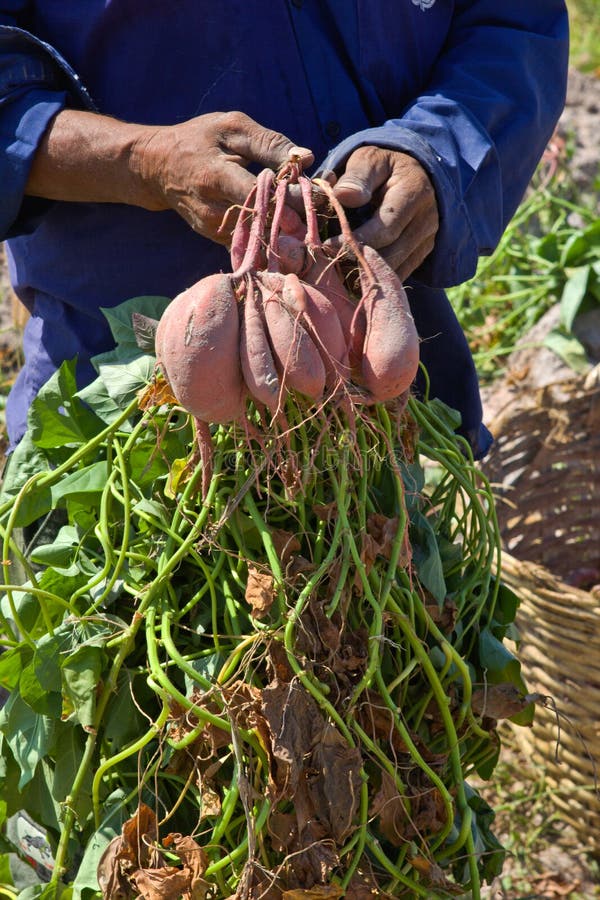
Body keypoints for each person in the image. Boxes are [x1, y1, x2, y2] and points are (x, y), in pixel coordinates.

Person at [0, 2, 569, 460]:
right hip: (114, 401)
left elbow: (514, 22)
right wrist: (145, 161)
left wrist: (438, 151)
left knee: (395, 580)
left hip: (381, 408)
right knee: (126, 589)